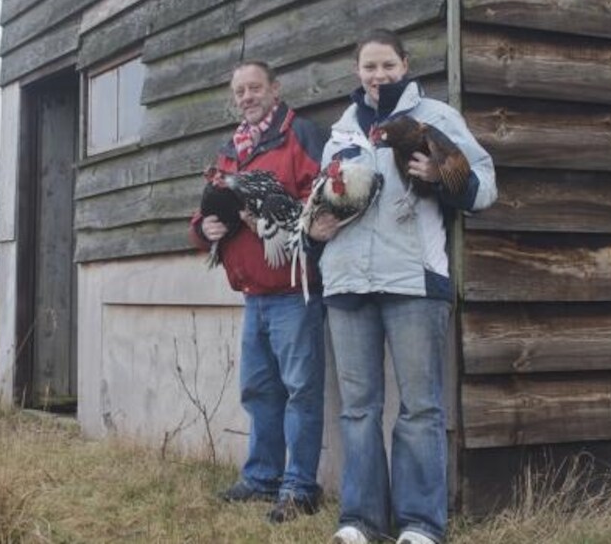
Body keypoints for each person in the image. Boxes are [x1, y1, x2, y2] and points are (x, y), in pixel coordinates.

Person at [310, 29, 497, 544]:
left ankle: (420, 524)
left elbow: (486, 186)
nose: (379, 75)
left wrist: (443, 177)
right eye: (369, 67)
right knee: (358, 407)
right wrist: (314, 227)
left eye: (387, 65)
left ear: (405, 65)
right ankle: (360, 521)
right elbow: (318, 197)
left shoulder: (436, 117)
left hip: (412, 280)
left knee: (420, 407)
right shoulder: (343, 129)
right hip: (347, 280)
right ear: (357, 72)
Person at [190, 60, 328, 524]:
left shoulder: (300, 136)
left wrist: (284, 220)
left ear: (275, 89)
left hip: (295, 291)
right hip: (252, 292)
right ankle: (262, 476)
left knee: (300, 392)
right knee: (259, 390)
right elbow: (206, 208)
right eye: (239, 92)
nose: (246, 97)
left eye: (254, 88)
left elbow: (321, 200)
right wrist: (204, 228)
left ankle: (300, 486)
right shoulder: (232, 150)